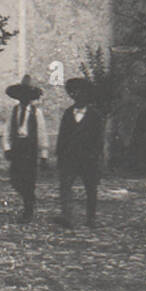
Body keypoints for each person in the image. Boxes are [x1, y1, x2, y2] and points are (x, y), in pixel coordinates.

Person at [55, 78, 105, 228]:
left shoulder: (95, 115)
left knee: (90, 188)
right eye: (74, 92)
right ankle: (66, 216)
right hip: (69, 158)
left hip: (88, 158)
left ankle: (91, 218)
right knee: (65, 186)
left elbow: (98, 138)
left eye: (81, 91)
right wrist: (60, 155)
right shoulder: (68, 113)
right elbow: (62, 136)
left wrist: (96, 156)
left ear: (87, 94)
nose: (77, 95)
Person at [2, 75, 49, 223]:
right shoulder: (14, 111)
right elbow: (7, 130)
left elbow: (42, 133)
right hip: (17, 148)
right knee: (16, 179)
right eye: (21, 96)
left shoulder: (36, 113)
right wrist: (7, 148)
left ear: (31, 98)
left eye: (27, 96)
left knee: (28, 179)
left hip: (30, 149)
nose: (24, 99)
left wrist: (44, 154)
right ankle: (28, 197)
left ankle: (28, 208)